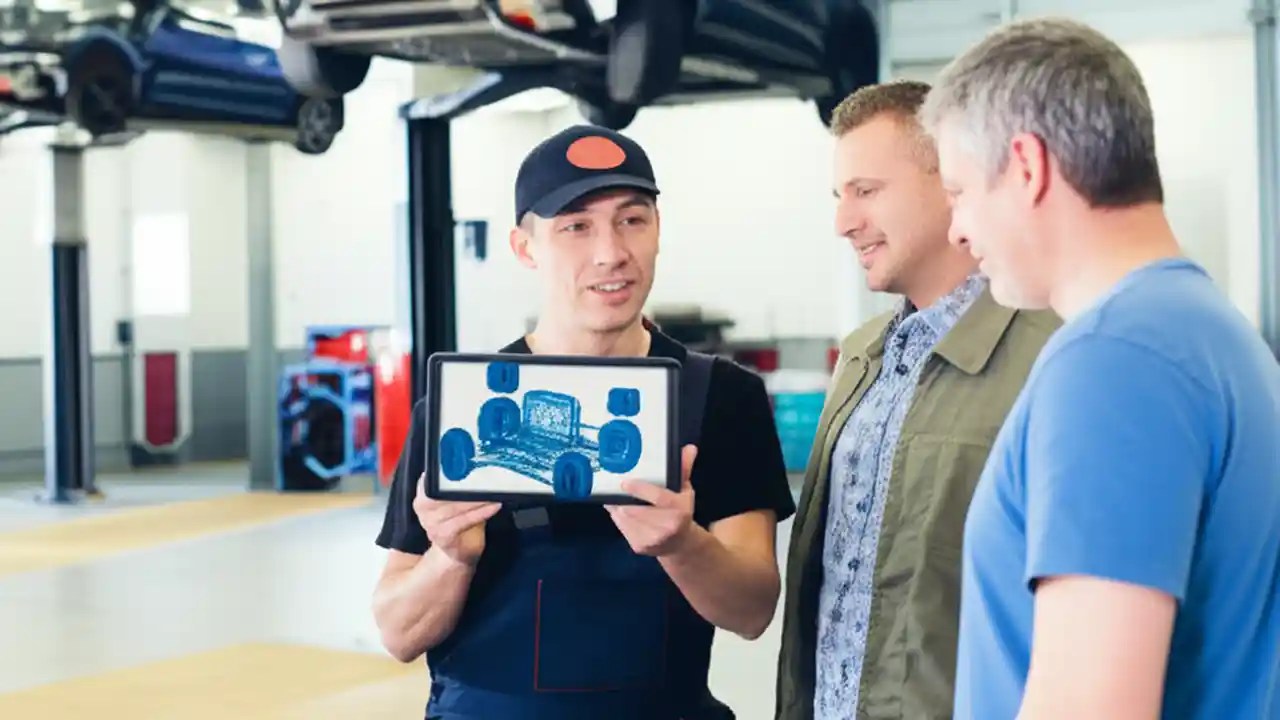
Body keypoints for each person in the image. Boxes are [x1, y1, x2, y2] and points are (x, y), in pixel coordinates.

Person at [918, 16, 1280, 720]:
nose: (957, 230)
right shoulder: (1218, 338)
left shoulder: (1114, 363)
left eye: (960, 193)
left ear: (1027, 167)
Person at [372, 124, 797, 720]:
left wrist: (682, 545)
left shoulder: (723, 398)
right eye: (576, 226)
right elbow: (397, 633)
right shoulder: (460, 409)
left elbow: (753, 611)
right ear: (526, 248)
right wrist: (451, 557)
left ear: (657, 231)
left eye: (632, 219)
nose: (611, 253)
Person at [774, 80, 1059, 720]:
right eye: (839, 196)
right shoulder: (861, 356)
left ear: (949, 184)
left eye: (866, 191)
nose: (843, 222)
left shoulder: (1051, 359)